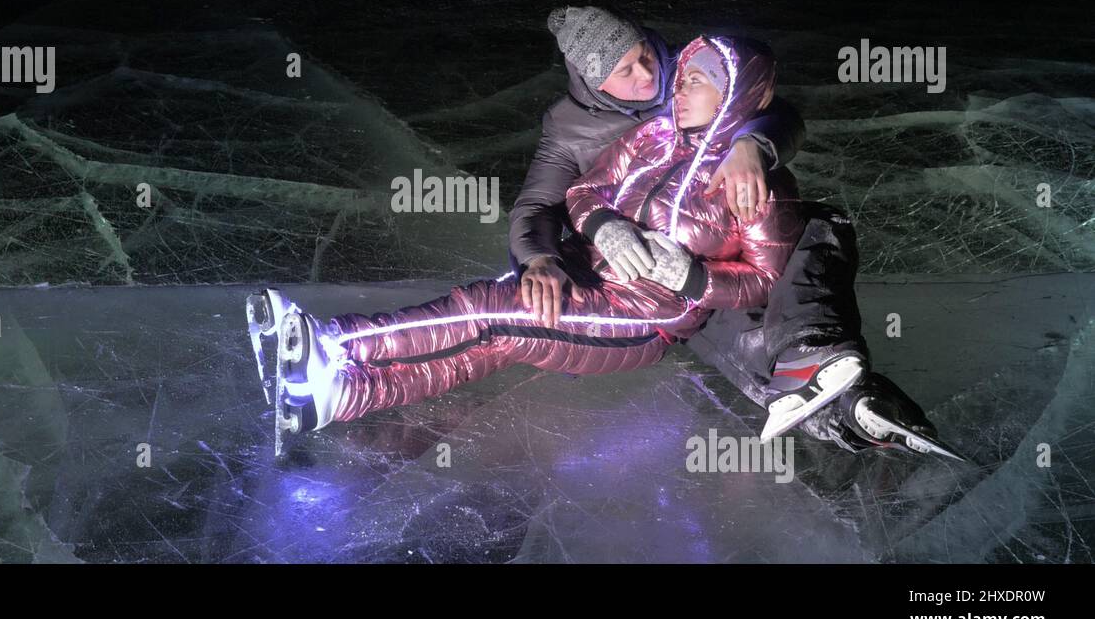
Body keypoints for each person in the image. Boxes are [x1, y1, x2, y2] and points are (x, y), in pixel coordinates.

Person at [249, 34, 894, 451]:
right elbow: (580, 194)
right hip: (591, 271)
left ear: (734, 98)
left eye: (696, 79)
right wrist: (600, 227)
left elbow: (762, 278)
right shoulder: (653, 136)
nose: (674, 85)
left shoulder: (756, 182)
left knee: (496, 313)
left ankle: (331, 346)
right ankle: (335, 394)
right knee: (496, 328)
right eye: (685, 75)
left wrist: (693, 281)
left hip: (647, 319)